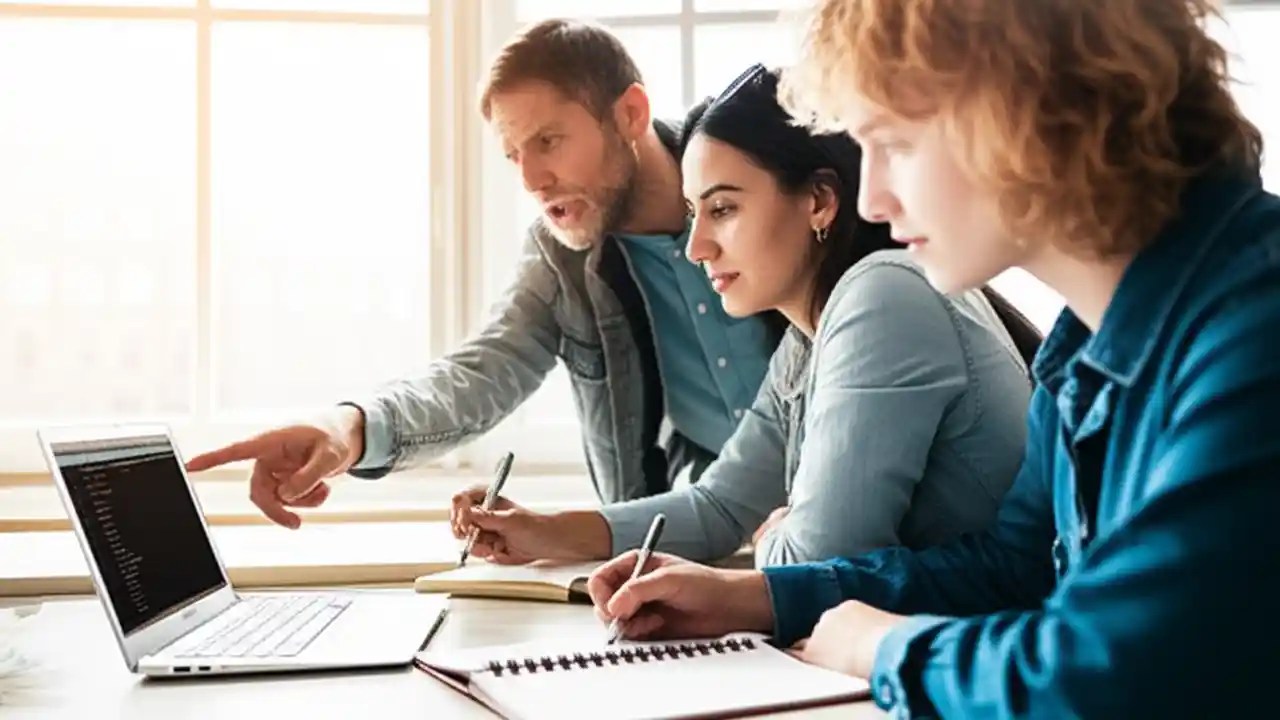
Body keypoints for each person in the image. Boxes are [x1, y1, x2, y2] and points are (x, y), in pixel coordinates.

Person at [587, 1, 1280, 717]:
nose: (874, 197)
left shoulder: (1255, 330)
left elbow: (1115, 674)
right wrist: (760, 597)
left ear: (1027, 105)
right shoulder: (1084, 342)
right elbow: (1016, 569)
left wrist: (883, 649)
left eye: (896, 143)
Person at [182, 20, 787, 527]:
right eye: (513, 154)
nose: (531, 178)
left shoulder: (765, 180)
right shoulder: (560, 260)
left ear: (630, 113)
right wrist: (348, 428)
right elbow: (482, 372)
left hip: (858, 523)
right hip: (715, 545)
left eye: (549, 140)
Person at [447, 64, 1038, 568]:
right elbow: (719, 506)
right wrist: (543, 531)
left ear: (818, 201)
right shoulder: (807, 343)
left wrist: (778, 533)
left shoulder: (883, 294)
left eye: (723, 209)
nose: (697, 246)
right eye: (691, 213)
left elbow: (818, 559)